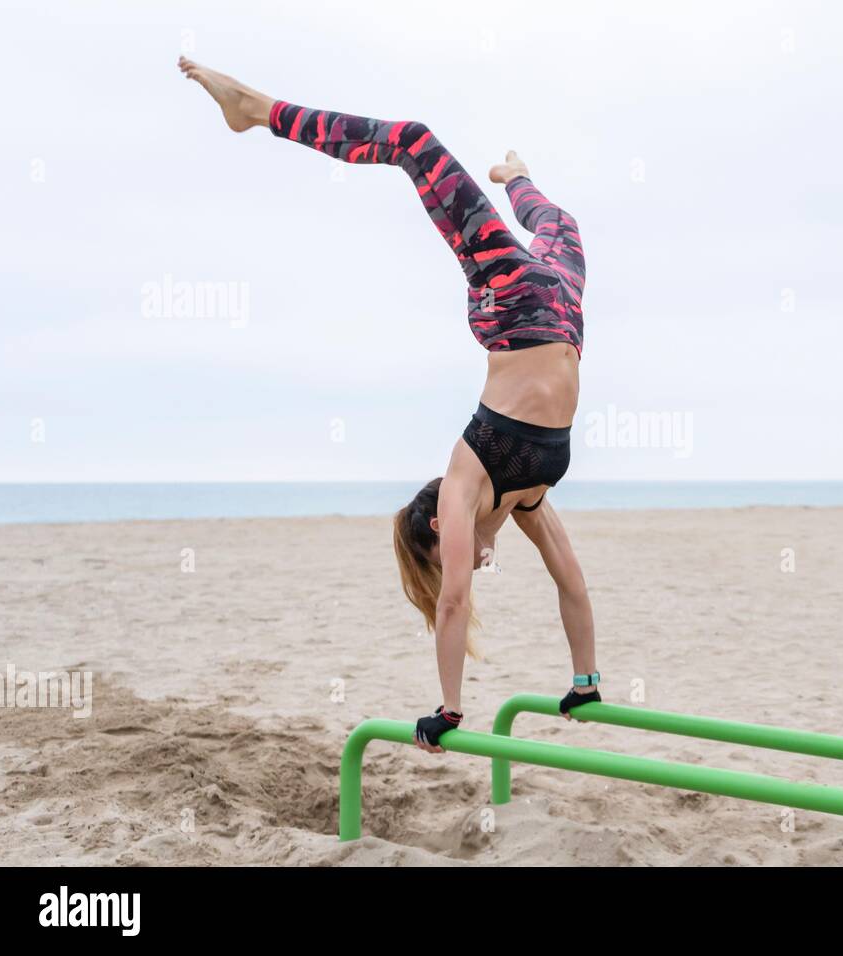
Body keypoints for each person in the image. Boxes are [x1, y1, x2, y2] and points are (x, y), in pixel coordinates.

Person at [179, 57, 600, 753]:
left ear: (440, 524)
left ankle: (256, 110)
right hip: (562, 304)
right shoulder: (527, 498)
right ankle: (518, 177)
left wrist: (449, 710)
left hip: (513, 293)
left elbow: (455, 600)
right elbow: (573, 582)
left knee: (413, 140)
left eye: (455, 552)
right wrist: (585, 681)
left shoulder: (466, 485)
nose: (474, 561)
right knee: (562, 223)